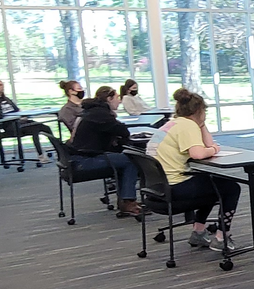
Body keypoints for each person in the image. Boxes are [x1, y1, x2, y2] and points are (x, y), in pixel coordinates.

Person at [153, 89, 240, 251]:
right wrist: (214, 149)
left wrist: (201, 124)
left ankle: (199, 232)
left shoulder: (172, 124)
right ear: (200, 110)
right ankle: (222, 237)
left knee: (210, 182)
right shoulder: (188, 126)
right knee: (231, 188)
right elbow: (199, 153)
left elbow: (203, 145)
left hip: (157, 189)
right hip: (175, 186)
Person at [69, 86, 141, 217]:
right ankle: (128, 202)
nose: (119, 101)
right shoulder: (100, 114)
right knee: (132, 160)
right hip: (84, 161)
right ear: (109, 99)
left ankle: (125, 200)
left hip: (78, 157)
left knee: (123, 159)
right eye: (117, 98)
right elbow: (123, 131)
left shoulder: (92, 111)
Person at [0, 78, 48, 162]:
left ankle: (59, 151)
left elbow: (17, 110)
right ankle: (41, 155)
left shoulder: (6, 99)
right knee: (34, 128)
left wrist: (23, 116)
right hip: (9, 125)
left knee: (45, 127)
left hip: (19, 121)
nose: (2, 87)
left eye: (2, 84)